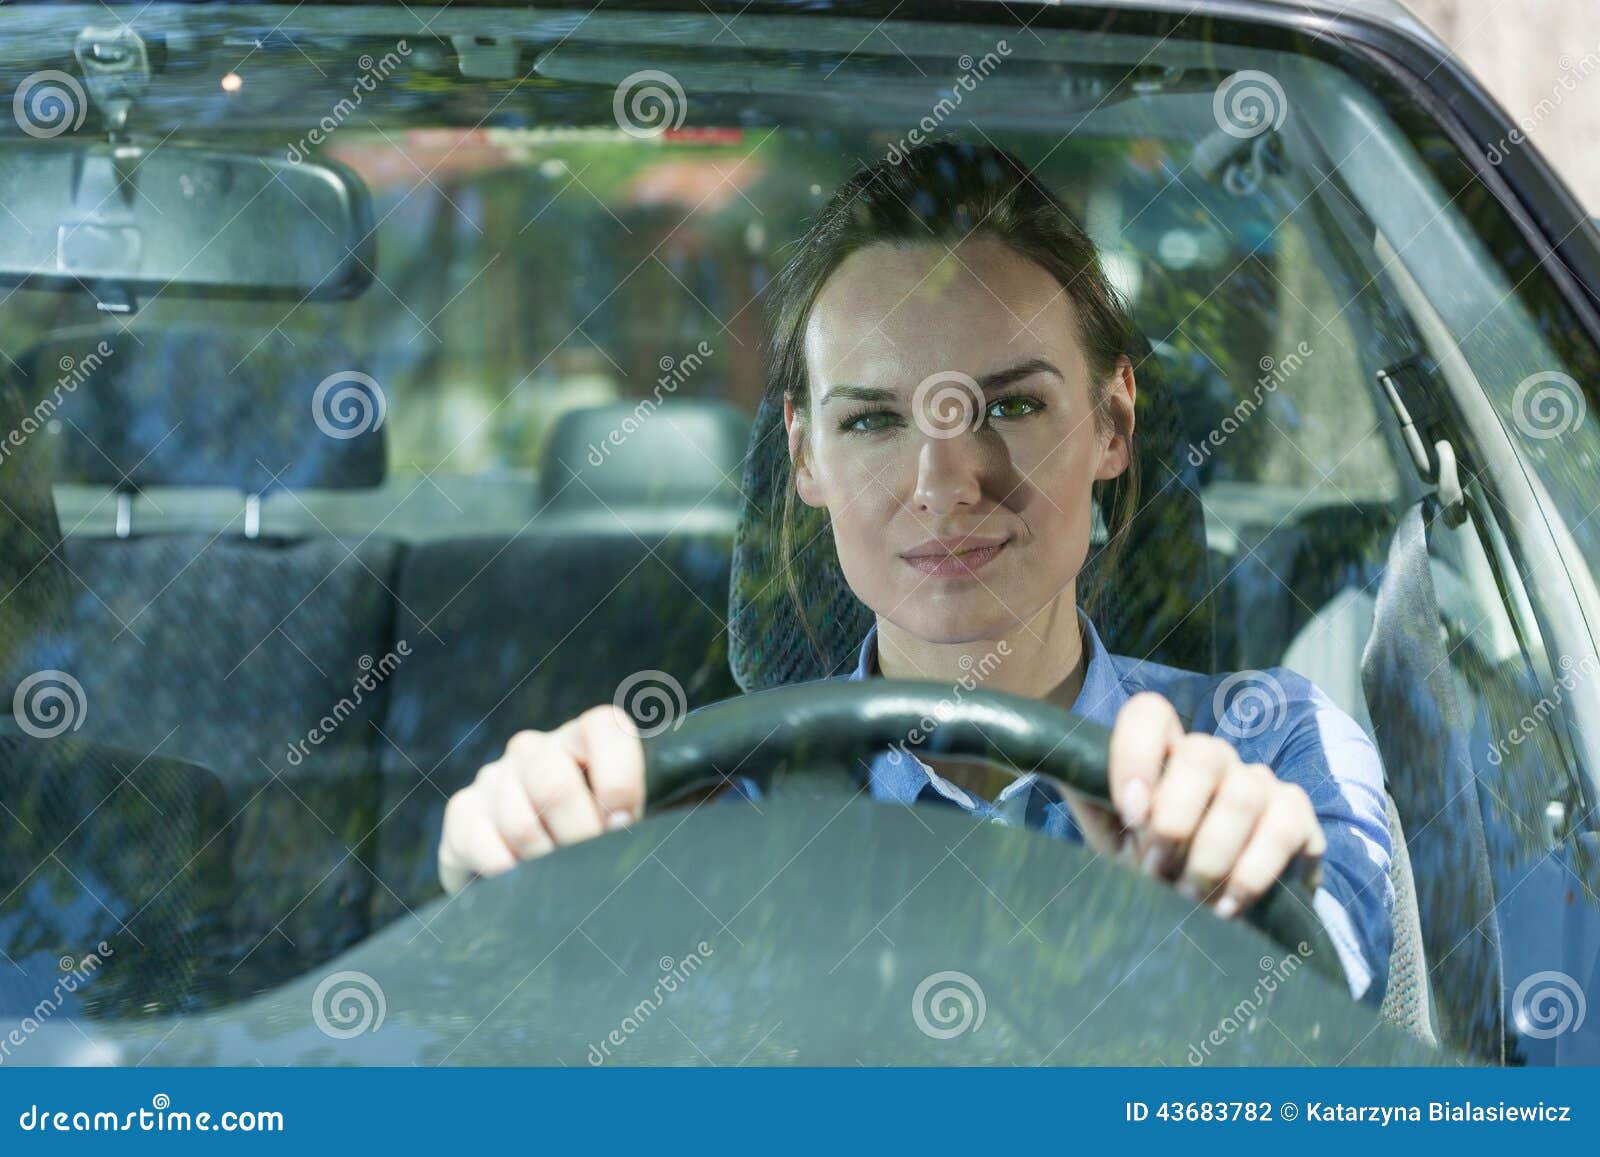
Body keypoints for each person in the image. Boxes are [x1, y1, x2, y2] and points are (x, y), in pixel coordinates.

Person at [436, 141, 1395, 1005]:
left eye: (1012, 407)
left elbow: (1343, 1020)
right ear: (804, 457)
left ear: (1112, 424)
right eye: (873, 420)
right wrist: (510, 911)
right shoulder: (699, 819)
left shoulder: (1269, 748)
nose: (945, 484)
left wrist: (1246, 919)